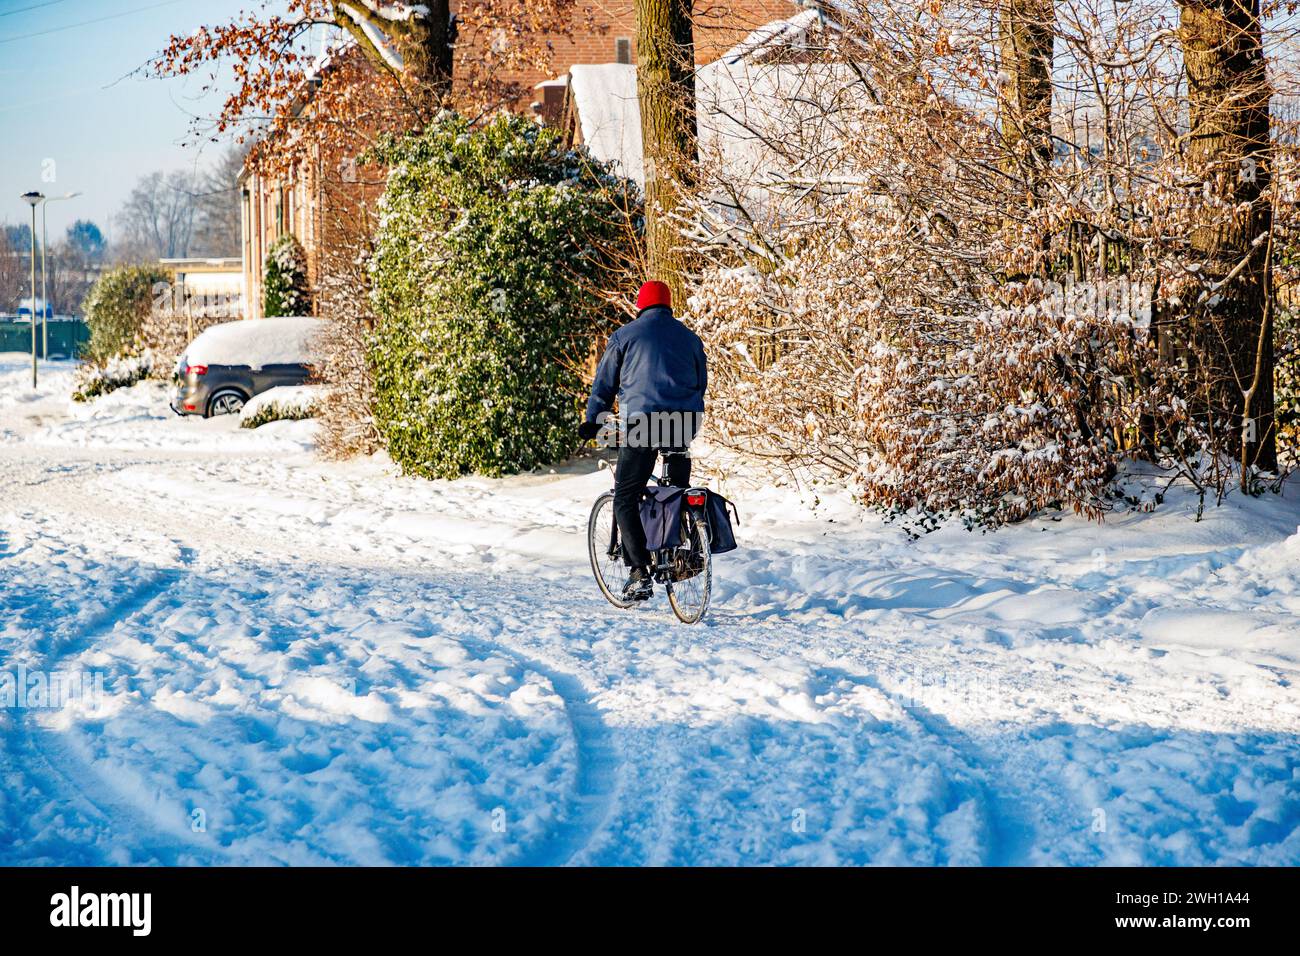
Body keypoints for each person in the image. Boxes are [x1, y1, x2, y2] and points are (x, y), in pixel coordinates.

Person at [580, 280, 707, 601]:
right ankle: (682, 551)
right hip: (683, 424)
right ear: (669, 305)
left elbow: (605, 384)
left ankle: (639, 573)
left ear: (641, 305)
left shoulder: (625, 336)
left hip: (644, 424)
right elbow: (700, 383)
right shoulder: (690, 338)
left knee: (625, 496)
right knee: (676, 494)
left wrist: (593, 419)